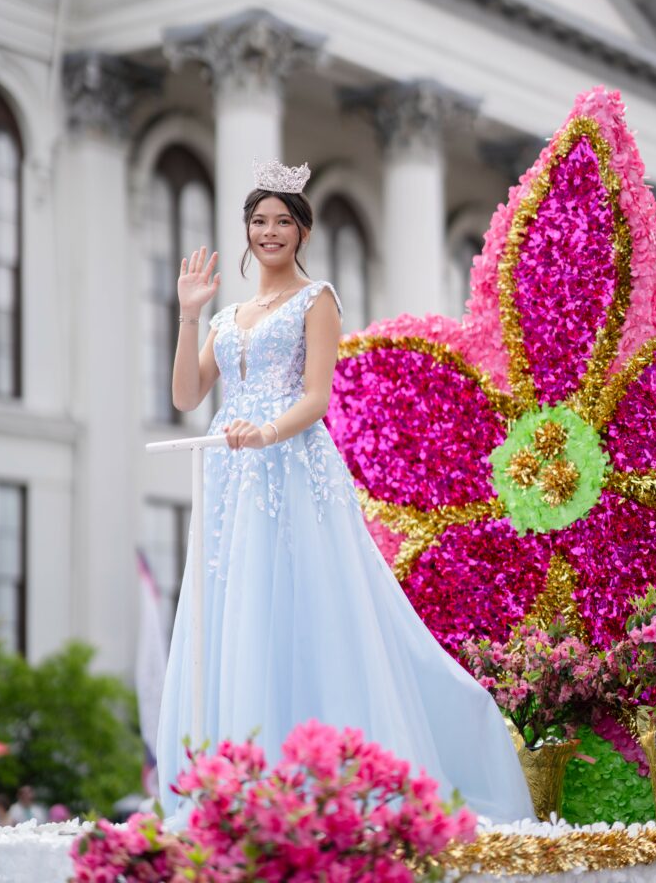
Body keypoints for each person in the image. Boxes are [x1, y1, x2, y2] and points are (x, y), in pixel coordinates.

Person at [157, 159, 534, 824]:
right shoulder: (227, 313)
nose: (268, 232)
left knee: (304, 607)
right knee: (235, 606)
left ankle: (319, 781)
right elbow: (188, 396)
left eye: (281, 221)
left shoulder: (316, 298)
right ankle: (239, 788)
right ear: (245, 232)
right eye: (257, 221)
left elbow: (316, 398)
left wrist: (267, 431)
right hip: (229, 472)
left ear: (301, 231)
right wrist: (188, 317)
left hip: (289, 465)